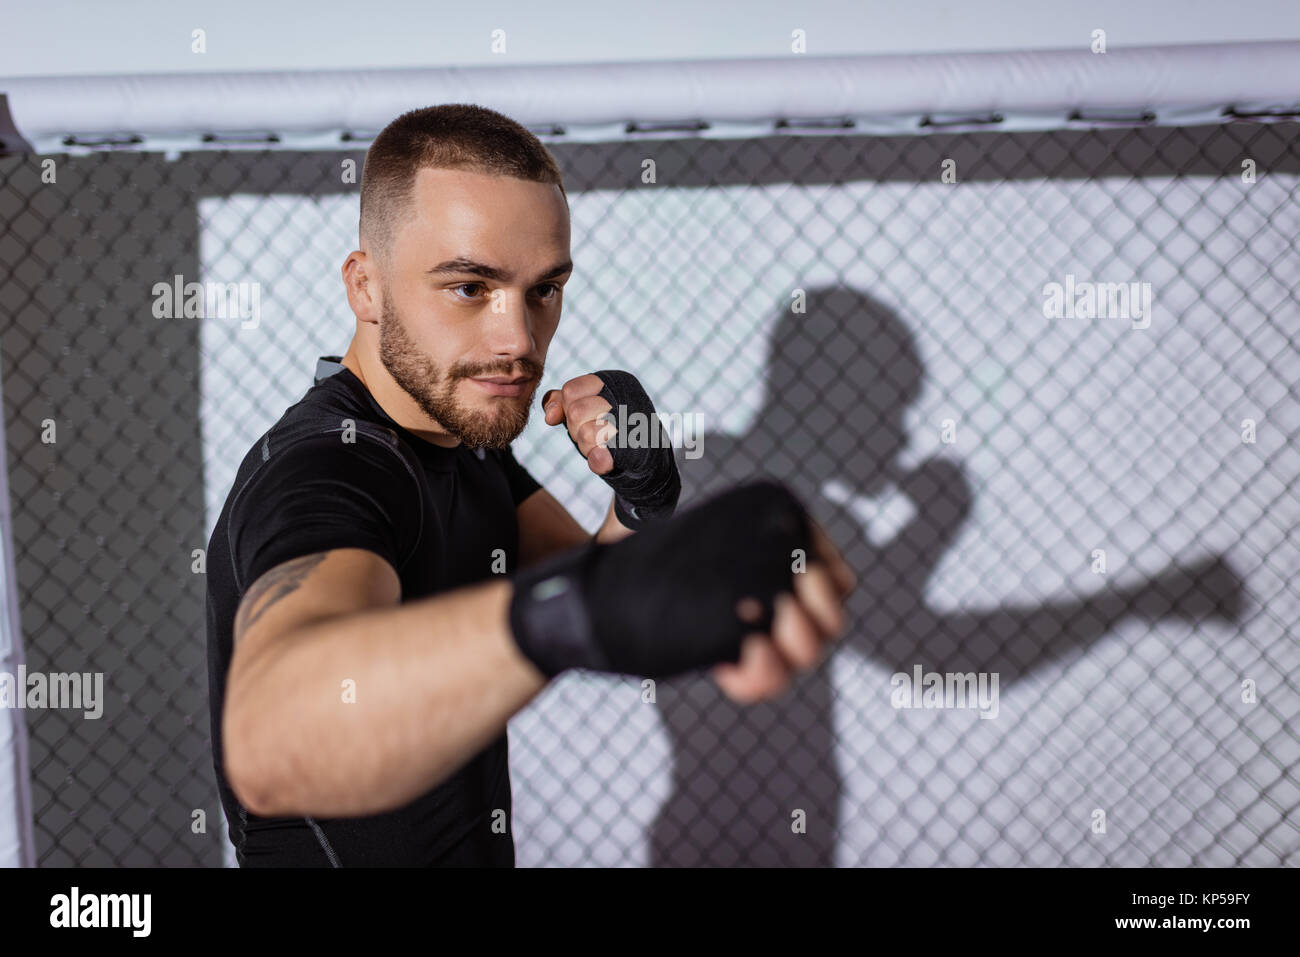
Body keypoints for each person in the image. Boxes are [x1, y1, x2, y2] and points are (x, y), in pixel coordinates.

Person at [204, 103, 856, 867]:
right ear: (366, 288)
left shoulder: (458, 443)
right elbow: (272, 740)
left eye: (543, 290)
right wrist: (568, 611)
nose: (518, 341)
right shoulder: (325, 468)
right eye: (469, 287)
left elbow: (596, 596)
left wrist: (642, 499)